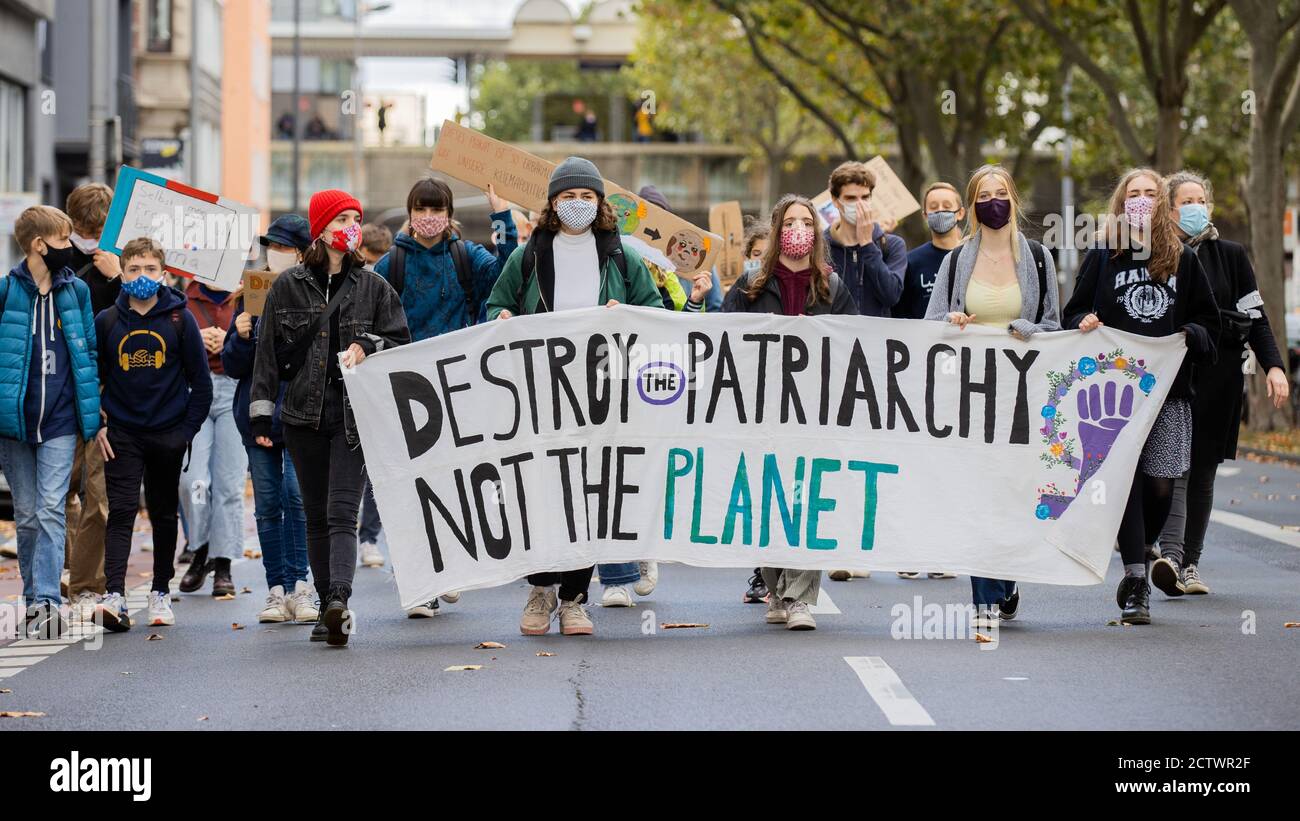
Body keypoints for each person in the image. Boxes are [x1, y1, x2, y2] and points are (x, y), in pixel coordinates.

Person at [486, 156, 664, 637]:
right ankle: (541, 589)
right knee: (543, 493)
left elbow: (654, 310)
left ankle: (573, 598)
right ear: (552, 203)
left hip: (601, 394)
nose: (578, 204)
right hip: (541, 396)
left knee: (587, 497)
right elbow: (496, 304)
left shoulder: (621, 257)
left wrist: (624, 312)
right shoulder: (528, 255)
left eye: (587, 196)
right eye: (568, 197)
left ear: (601, 203)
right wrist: (501, 320)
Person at [250, 189, 410, 647]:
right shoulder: (287, 286)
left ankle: (339, 600)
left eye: (355, 218)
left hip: (355, 419)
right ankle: (324, 604)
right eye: (341, 218)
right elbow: (266, 356)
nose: (350, 225)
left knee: (343, 512)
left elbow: (402, 342)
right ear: (321, 229)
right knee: (316, 515)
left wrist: (371, 345)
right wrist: (262, 418)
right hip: (302, 417)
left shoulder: (375, 287)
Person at [1062, 168, 1220, 625]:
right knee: (1126, 481)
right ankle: (1135, 579)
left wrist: (1191, 332)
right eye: (1134, 194)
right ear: (1121, 202)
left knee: (1160, 484)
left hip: (1168, 392)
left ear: (1162, 202)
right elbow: (1074, 313)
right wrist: (1083, 323)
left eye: (1152, 194)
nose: (1142, 200)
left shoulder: (1183, 260)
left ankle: (1140, 541)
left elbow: (1210, 323)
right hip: (1115, 394)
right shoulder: (1105, 255)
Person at [372, 176, 518, 615]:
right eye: (422, 209)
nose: (430, 218)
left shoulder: (467, 256)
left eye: (438, 210)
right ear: (410, 212)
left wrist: (502, 217)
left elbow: (508, 271)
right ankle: (421, 584)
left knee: (454, 485)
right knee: (414, 487)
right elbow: (371, 319)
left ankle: (447, 567)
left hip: (460, 387)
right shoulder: (390, 265)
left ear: (449, 215)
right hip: (407, 392)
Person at [924, 165, 1061, 624]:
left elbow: (1054, 328)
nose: (993, 201)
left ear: (1014, 199)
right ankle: (985, 595)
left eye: (1001, 193)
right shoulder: (956, 261)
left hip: (1022, 397)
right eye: (984, 194)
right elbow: (932, 324)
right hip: (970, 395)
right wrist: (953, 322)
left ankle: (1006, 576)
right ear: (973, 204)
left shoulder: (1039, 258)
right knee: (978, 493)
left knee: (1012, 492)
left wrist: (1031, 330)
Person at [722, 193, 859, 631]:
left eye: (805, 222)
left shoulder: (832, 289)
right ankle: (775, 585)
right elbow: (723, 343)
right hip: (761, 412)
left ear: (816, 233)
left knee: (804, 499)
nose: (797, 229)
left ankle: (799, 597)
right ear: (777, 231)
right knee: (768, 501)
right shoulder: (748, 288)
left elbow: (854, 347)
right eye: (789, 222)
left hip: (812, 412)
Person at [1151, 171, 1289, 597]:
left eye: (1201, 200)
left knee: (1203, 470)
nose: (1196, 207)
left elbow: (1257, 316)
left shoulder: (1231, 255)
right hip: (1172, 377)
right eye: (1186, 200)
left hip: (1220, 377)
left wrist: (1274, 366)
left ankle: (1189, 562)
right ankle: (1168, 557)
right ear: (1170, 210)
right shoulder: (1157, 255)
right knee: (1176, 465)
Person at [595, 198, 711, 609]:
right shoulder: (607, 258)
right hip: (607, 379)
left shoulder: (663, 274)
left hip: (655, 380)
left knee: (643, 469)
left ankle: (645, 547)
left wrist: (695, 298)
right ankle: (616, 572)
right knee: (610, 472)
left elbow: (679, 322)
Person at [95, 237, 213, 631]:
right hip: (123, 434)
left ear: (163, 274)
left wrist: (186, 432)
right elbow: (93, 380)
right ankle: (114, 593)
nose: (141, 276)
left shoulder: (181, 319)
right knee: (122, 510)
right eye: (133, 269)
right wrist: (98, 425)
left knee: (163, 514)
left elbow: (202, 382)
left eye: (149, 269)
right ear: (122, 273)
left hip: (168, 433)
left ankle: (160, 591)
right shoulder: (107, 321)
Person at [0, 206, 101, 639]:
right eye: (63, 240)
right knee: (25, 516)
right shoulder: (5, 292)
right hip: (14, 424)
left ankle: (46, 601)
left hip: (61, 421)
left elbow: (89, 354)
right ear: (39, 244)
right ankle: (32, 595)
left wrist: (92, 417)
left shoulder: (76, 291)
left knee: (50, 509)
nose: (69, 248)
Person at [223, 215, 316, 625]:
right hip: (255, 416)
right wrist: (241, 335)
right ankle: (276, 589)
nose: (274, 254)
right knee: (266, 506)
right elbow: (233, 366)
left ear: (301, 252)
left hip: (297, 416)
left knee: (298, 500)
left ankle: (302, 584)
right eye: (271, 247)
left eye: (283, 247)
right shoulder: (252, 295)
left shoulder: (312, 292)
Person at [62, 183, 119, 622]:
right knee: (62, 492)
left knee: (94, 495)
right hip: (67, 390)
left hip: (99, 394)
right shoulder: (62, 262)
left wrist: (117, 276)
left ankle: (86, 579)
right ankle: (70, 572)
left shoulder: (118, 262)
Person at [175, 273, 246, 598]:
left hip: (235, 389)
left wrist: (232, 339)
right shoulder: (182, 300)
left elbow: (263, 342)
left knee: (229, 485)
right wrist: (196, 337)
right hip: (196, 391)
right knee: (194, 482)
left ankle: (223, 563)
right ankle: (199, 546)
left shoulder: (250, 296)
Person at [737, 219, 776, 605]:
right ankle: (762, 572)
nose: (761, 263)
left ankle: (775, 575)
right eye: (755, 257)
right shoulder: (743, 290)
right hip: (751, 402)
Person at [823, 160, 907, 318]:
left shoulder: (892, 245)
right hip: (833, 338)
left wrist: (867, 244)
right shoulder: (820, 247)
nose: (859, 205)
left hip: (875, 339)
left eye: (865, 197)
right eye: (851, 198)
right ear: (835, 201)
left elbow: (891, 296)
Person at [637, 185, 723, 311]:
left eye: (660, 216)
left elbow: (714, 308)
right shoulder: (628, 256)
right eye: (649, 214)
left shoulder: (696, 264)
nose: (654, 224)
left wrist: (695, 302)